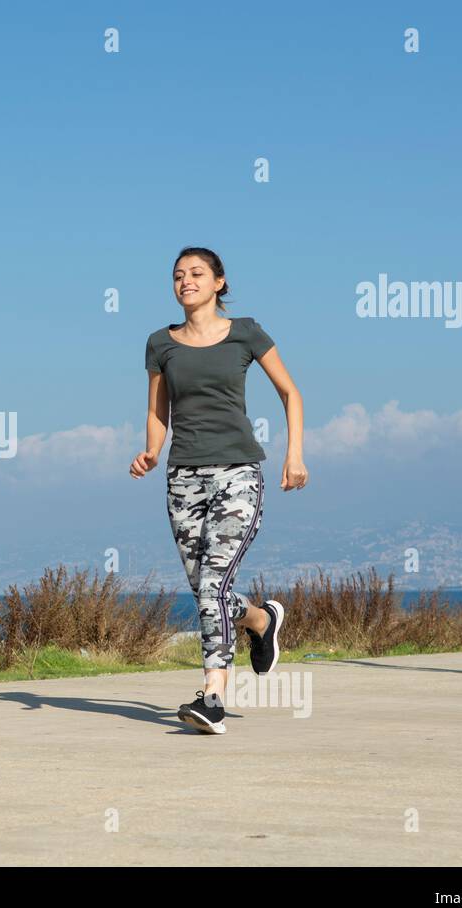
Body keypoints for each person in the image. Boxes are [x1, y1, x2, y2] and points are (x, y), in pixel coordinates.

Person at [129, 247, 308, 734]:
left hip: (238, 473)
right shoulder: (159, 344)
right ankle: (261, 621)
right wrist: (149, 451)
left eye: (197, 274)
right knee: (208, 590)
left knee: (211, 586)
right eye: (178, 275)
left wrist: (295, 456)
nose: (186, 281)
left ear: (219, 283)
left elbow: (290, 393)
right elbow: (157, 410)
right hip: (183, 478)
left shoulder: (246, 332)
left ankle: (213, 697)